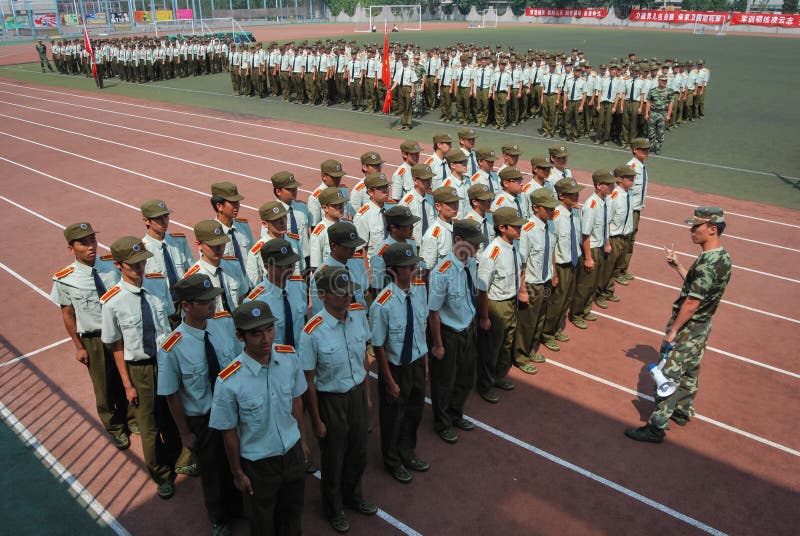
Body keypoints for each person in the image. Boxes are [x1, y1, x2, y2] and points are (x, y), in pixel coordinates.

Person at [625, 207, 731, 443]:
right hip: (703, 326)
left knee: (667, 377)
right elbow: (699, 289)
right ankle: (682, 411)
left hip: (689, 327)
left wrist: (673, 331)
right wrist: (679, 267)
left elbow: (692, 302)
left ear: (712, 229)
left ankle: (656, 427)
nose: (691, 230)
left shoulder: (706, 263)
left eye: (696, 226)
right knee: (691, 370)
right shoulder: (722, 258)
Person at [209, 300, 309, 535]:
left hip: (292, 453)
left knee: (293, 513)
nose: (266, 339)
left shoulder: (288, 358)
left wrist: (303, 440)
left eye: (269, 329)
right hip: (259, 463)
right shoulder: (229, 380)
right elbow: (229, 431)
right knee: (262, 520)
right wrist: (237, 472)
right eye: (256, 334)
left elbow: (296, 401)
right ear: (240, 336)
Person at [157, 274, 243, 535]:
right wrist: (185, 433)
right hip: (203, 419)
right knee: (212, 469)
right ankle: (218, 517)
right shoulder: (172, 347)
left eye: (212, 298)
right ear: (186, 305)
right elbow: (171, 394)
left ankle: (239, 506)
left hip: (232, 409)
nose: (212, 304)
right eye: (205, 301)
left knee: (238, 461)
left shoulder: (223, 324)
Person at [101, 236, 181, 499]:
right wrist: (127, 383)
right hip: (140, 368)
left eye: (142, 263)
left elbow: (168, 320)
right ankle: (160, 473)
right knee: (148, 422)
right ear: (118, 265)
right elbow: (116, 345)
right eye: (133, 265)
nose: (139, 269)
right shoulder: (113, 301)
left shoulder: (158, 284)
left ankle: (178, 457)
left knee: (172, 412)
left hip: (165, 359)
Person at [299, 266, 377, 533]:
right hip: (330, 400)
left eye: (349, 291)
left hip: (355, 395)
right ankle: (333, 508)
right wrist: (317, 420)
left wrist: (366, 396)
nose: (347, 297)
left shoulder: (358, 315)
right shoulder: (312, 332)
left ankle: (353, 496)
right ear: (322, 295)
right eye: (339, 292)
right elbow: (308, 381)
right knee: (334, 458)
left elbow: (363, 360)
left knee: (359, 451)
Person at [50, 222, 128, 449]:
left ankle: (131, 419)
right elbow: (67, 314)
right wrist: (79, 346)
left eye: (92, 240)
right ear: (71, 248)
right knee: (103, 384)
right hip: (94, 338)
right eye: (83, 243)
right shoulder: (65, 278)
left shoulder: (111, 267)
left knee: (126, 377)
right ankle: (115, 426)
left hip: (120, 333)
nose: (91, 246)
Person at [370, 243, 429, 484]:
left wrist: (423, 366)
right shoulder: (382, 305)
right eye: (408, 267)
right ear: (393, 271)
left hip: (415, 362)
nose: (414, 269)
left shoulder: (418, 292)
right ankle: (392, 460)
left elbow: (420, 331)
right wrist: (389, 380)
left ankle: (408, 452)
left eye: (414, 265)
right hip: (395, 368)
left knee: (414, 411)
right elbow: (379, 345)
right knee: (393, 416)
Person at [428, 220, 486, 444]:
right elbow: (433, 312)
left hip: (468, 329)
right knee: (444, 382)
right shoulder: (441, 273)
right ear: (459, 241)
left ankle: (456, 413)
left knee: (465, 377)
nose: (477, 247)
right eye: (474, 243)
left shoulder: (471, 263)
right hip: (449, 333)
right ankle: (442, 423)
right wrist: (438, 344)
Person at [476, 207, 526, 404]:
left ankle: (498, 376)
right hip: (497, 306)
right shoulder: (492, 252)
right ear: (502, 228)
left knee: (506, 344)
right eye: (515, 227)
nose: (519, 229)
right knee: (491, 348)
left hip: (511, 301)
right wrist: (485, 316)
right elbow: (483, 288)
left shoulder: (513, 246)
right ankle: (485, 384)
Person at [515, 189, 559, 373]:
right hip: (532, 284)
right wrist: (522, 288)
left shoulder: (550, 225)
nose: (552, 211)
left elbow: (552, 251)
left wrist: (554, 274)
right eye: (548, 208)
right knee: (528, 322)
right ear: (535, 208)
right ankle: (521, 356)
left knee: (540, 318)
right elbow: (522, 262)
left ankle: (531, 349)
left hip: (546, 280)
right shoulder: (528, 230)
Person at [568, 170, 614, 330]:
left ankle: (586, 310)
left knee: (593, 283)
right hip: (592, 249)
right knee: (584, 285)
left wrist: (607, 243)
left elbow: (604, 226)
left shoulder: (604, 201)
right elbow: (585, 235)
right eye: (609, 184)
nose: (612, 186)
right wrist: (588, 257)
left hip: (600, 246)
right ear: (599, 185)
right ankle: (576, 313)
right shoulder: (592, 205)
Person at [245, 239, 307, 347]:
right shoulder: (255, 301)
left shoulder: (299, 287)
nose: (291, 267)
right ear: (266, 266)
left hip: (300, 356)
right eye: (283, 264)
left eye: (291, 262)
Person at [185, 220, 250, 313]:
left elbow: (241, 296)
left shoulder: (234, 265)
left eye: (222, 243)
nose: (219, 248)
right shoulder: (192, 278)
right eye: (213, 245)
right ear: (199, 245)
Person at [310, 222, 369, 315]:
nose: (353, 249)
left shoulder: (358, 262)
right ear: (334, 246)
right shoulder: (323, 274)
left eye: (354, 245)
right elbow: (319, 310)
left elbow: (365, 293)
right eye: (348, 246)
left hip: (360, 320)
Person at [597, 165, 635, 306]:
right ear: (619, 179)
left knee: (616, 268)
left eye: (633, 178)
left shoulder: (629, 194)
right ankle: (599, 293)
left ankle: (608, 291)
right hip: (614, 238)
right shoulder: (614, 197)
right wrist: (607, 243)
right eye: (629, 178)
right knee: (607, 269)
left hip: (625, 236)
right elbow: (606, 221)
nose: (632, 181)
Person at [140, 199, 195, 298]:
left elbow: (191, 269)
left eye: (166, 216)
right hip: (162, 302)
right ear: (146, 221)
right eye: (158, 218)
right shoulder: (142, 251)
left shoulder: (179, 242)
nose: (164, 221)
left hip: (185, 300)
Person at [247, 201, 303, 286]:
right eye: (276, 220)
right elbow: (254, 283)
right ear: (265, 224)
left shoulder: (294, 241)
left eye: (284, 217)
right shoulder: (257, 251)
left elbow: (301, 270)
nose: (282, 222)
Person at [621, 138, 651, 282]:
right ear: (635, 150)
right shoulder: (631, 167)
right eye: (644, 150)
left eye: (648, 149)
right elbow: (623, 190)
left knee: (630, 241)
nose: (647, 152)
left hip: (636, 210)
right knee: (625, 241)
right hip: (629, 211)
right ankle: (618, 271)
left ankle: (623, 269)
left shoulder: (641, 166)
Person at [210, 182, 254, 275]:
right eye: (232, 203)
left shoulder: (244, 226)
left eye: (237, 202)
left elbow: (253, 255)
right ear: (219, 206)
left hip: (250, 283)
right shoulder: (210, 234)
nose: (237, 206)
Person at [419, 186, 462, 273]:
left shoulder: (456, 228)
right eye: (450, 203)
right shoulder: (433, 235)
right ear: (438, 206)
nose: (456, 206)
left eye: (456, 202)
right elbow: (427, 270)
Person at [353, 172, 392, 258]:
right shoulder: (363, 216)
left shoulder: (390, 209)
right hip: (374, 266)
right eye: (381, 188)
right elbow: (361, 250)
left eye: (387, 186)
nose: (386, 190)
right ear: (370, 192)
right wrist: (367, 271)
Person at [309, 187, 348, 270]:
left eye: (342, 204)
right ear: (325, 208)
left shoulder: (347, 226)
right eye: (336, 206)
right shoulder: (319, 233)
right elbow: (316, 266)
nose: (341, 208)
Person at [399, 162, 435, 245]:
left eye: (430, 179)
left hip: (429, 244)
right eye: (425, 180)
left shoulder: (430, 198)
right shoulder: (407, 202)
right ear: (415, 180)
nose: (429, 182)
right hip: (415, 245)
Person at [308, 159, 348, 227]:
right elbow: (314, 226)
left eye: (339, 176)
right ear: (324, 176)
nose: (338, 179)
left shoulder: (343, 190)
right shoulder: (315, 198)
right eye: (334, 177)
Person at [645, 74, 673, 155]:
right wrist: (646, 113)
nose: (664, 82)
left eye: (666, 81)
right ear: (659, 81)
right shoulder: (652, 91)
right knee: (651, 131)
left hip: (662, 113)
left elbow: (671, 103)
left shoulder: (669, 91)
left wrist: (668, 115)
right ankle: (651, 146)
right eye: (663, 80)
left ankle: (657, 147)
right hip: (653, 112)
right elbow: (648, 102)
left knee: (660, 132)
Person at [390, 55, 417, 130]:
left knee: (408, 106)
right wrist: (391, 89)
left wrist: (412, 92)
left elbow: (413, 81)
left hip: (407, 88)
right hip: (400, 88)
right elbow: (396, 81)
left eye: (405, 60)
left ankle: (408, 124)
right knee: (401, 107)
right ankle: (403, 123)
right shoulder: (399, 69)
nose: (403, 61)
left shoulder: (411, 69)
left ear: (408, 60)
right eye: (402, 60)